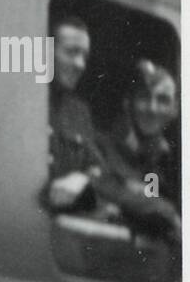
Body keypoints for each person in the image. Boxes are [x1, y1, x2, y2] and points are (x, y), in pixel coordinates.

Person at [96, 59, 181, 243]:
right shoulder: (101, 146)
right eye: (144, 97)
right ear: (128, 104)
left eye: (163, 100)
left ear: (175, 110)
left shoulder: (172, 162)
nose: (152, 108)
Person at [44, 16, 107, 213]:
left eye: (84, 56)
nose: (80, 64)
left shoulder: (78, 112)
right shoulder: (24, 100)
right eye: (71, 52)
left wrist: (84, 179)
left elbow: (100, 169)